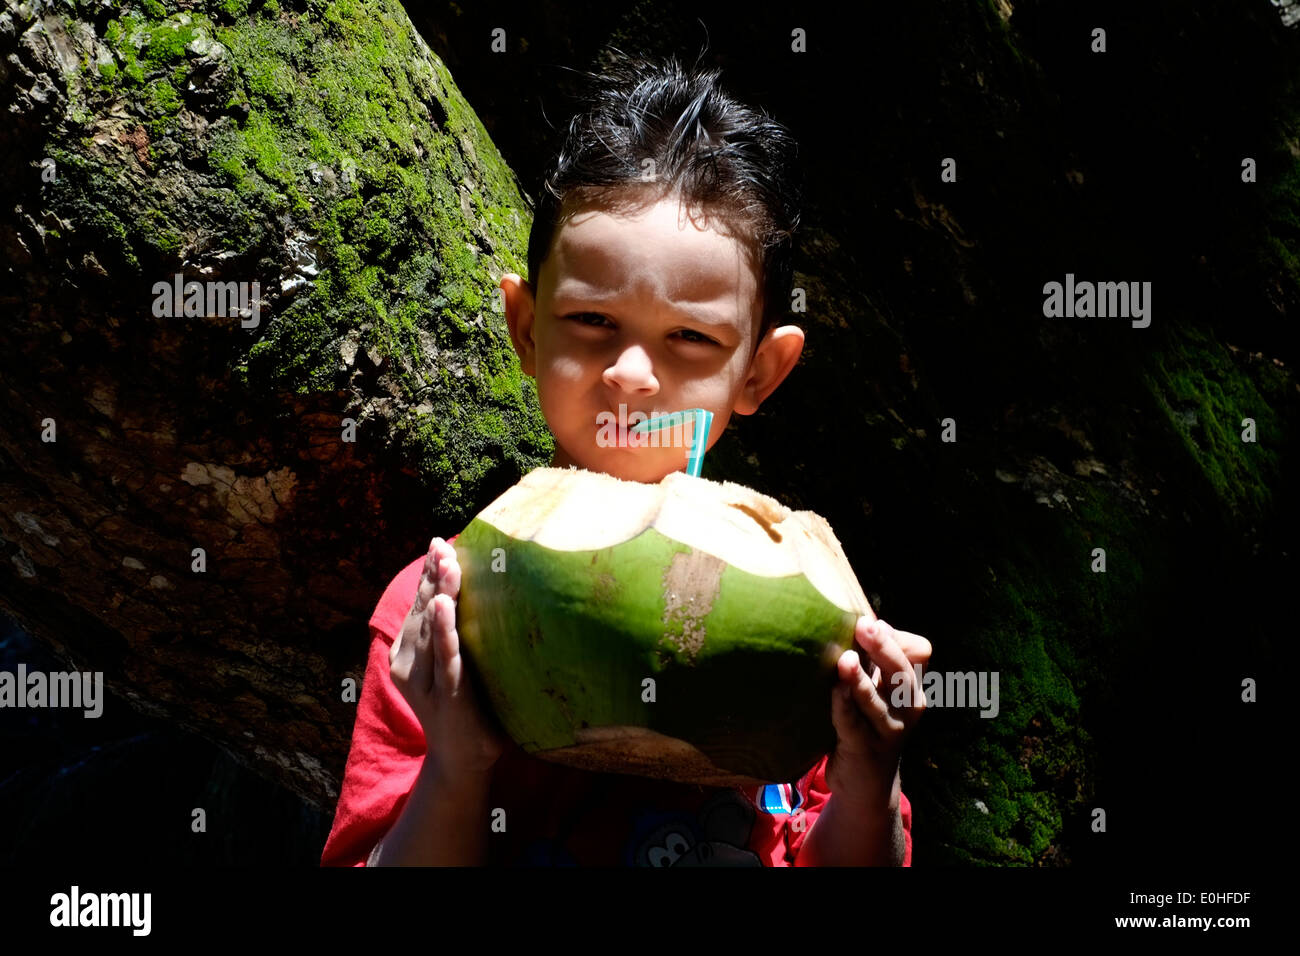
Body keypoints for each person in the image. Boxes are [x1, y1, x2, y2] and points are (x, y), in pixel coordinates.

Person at [321, 51, 931, 867]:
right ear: (527, 328)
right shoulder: (441, 613)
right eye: (593, 322)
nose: (631, 377)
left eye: (689, 337)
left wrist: (870, 777)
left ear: (761, 370)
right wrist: (457, 763)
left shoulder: (808, 624)